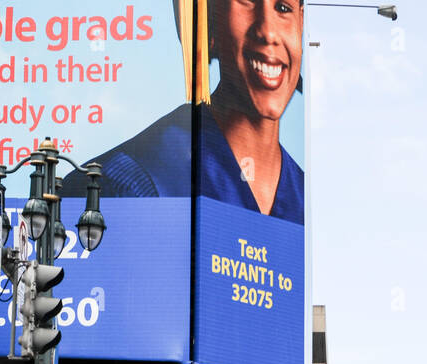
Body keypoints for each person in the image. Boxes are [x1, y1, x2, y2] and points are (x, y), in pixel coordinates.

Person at [64, 0, 304, 223]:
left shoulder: (309, 202)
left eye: (284, 8)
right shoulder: (126, 184)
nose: (268, 32)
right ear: (210, 18)